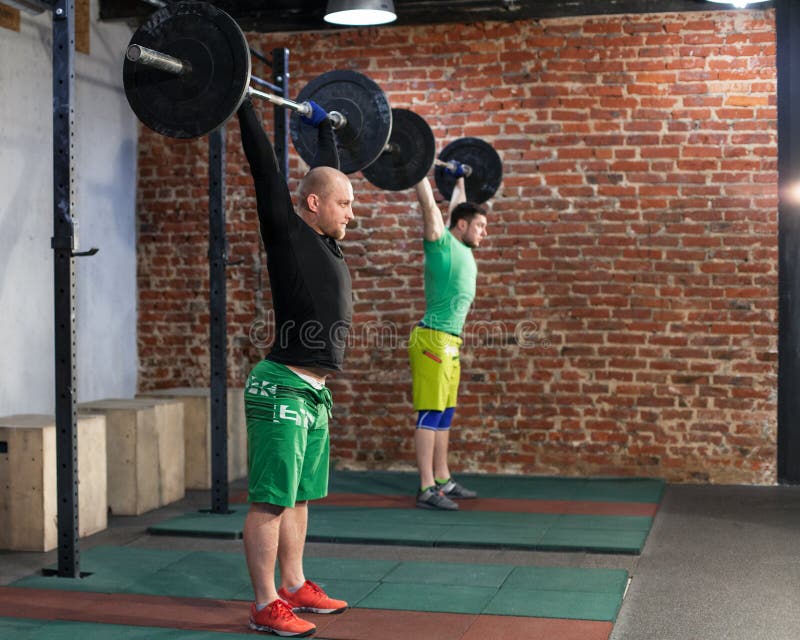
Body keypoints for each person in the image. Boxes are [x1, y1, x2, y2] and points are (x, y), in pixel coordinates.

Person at [237, 96, 353, 637]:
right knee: (272, 499)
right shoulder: (286, 233)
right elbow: (265, 171)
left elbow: (330, 175)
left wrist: (325, 130)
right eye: (344, 204)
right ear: (313, 204)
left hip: (314, 391)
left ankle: (294, 583)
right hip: (281, 384)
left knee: (300, 495)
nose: (351, 212)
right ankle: (265, 603)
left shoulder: (330, 243)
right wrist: (242, 101)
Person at [408, 166, 489, 510]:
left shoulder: (463, 247)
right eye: (480, 225)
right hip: (432, 340)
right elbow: (430, 207)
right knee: (430, 413)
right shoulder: (440, 244)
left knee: (445, 414)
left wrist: (459, 180)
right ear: (462, 226)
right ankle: (426, 488)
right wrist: (417, 168)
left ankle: (442, 478)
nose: (484, 232)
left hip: (451, 342)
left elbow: (457, 206)